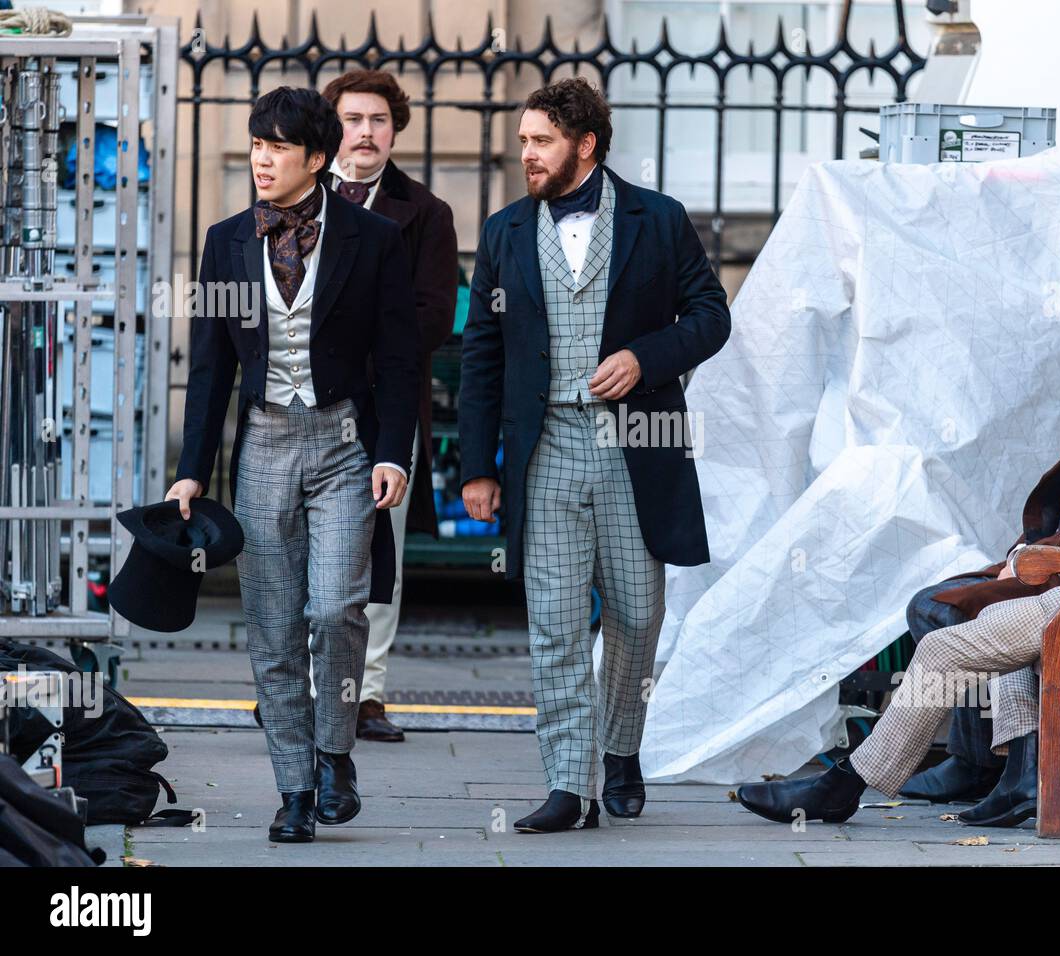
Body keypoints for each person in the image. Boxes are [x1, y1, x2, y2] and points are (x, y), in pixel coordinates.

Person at [737, 268, 1060, 830]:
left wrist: (1057, 561)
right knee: (1004, 622)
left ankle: (842, 787)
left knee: (946, 649)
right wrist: (1055, 562)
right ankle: (1023, 782)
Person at [457, 77, 731, 833]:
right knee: (552, 621)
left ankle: (621, 748)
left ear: (585, 144)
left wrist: (647, 358)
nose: (526, 154)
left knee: (639, 615)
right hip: (545, 446)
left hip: (634, 442)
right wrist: (478, 466)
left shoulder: (660, 220)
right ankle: (568, 786)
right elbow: (481, 353)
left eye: (540, 141)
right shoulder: (506, 231)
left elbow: (711, 317)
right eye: (522, 142)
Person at [167, 87, 420, 843]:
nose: (262, 160)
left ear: (317, 158)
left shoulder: (372, 239)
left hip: (345, 444)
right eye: (255, 146)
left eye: (277, 148)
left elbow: (402, 358)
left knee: (335, 609)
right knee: (274, 629)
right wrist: (191, 469)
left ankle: (334, 748)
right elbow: (209, 366)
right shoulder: (226, 241)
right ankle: (295, 790)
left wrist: (392, 455)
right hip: (265, 446)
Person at [898, 284, 1060, 804]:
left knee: (942, 612)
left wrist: (1036, 560)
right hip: (1053, 557)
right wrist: (1023, 552)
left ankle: (984, 766)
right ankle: (985, 763)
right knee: (935, 602)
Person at [320, 69, 460, 743]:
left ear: (394, 128)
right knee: (298, 552)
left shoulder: (427, 213)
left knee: (381, 552)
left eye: (378, 120)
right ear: (332, 126)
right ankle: (305, 689)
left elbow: (433, 318)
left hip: (386, 407)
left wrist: (351, 337)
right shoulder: (299, 195)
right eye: (352, 119)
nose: (365, 132)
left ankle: (365, 695)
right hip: (301, 404)